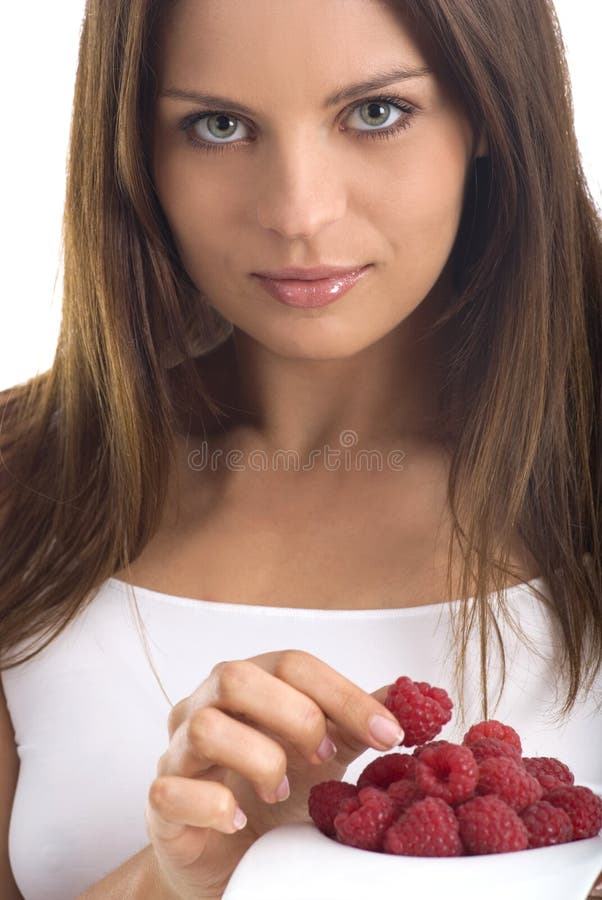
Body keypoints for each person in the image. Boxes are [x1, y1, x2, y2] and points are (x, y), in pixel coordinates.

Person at [1, 0, 601, 897]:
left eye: (375, 113)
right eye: (218, 125)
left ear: (491, 110)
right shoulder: (18, 484)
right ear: (134, 147)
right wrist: (177, 882)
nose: (298, 213)